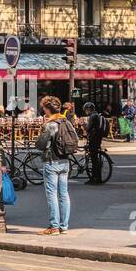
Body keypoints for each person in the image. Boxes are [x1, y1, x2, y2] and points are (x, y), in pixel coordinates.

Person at [35, 95, 76, 235]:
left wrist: (39, 137)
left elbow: (42, 145)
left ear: (47, 109)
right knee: (64, 194)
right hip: (65, 161)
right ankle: (64, 226)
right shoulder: (66, 121)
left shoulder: (50, 124)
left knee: (52, 195)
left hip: (52, 161)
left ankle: (54, 227)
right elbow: (75, 138)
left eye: (44, 108)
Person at [84, 102, 108, 184]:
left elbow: (89, 128)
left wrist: (84, 127)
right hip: (98, 138)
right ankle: (95, 178)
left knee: (94, 160)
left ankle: (96, 179)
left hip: (94, 138)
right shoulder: (97, 115)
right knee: (95, 159)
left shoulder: (92, 116)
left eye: (86, 110)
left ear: (88, 109)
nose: (85, 112)